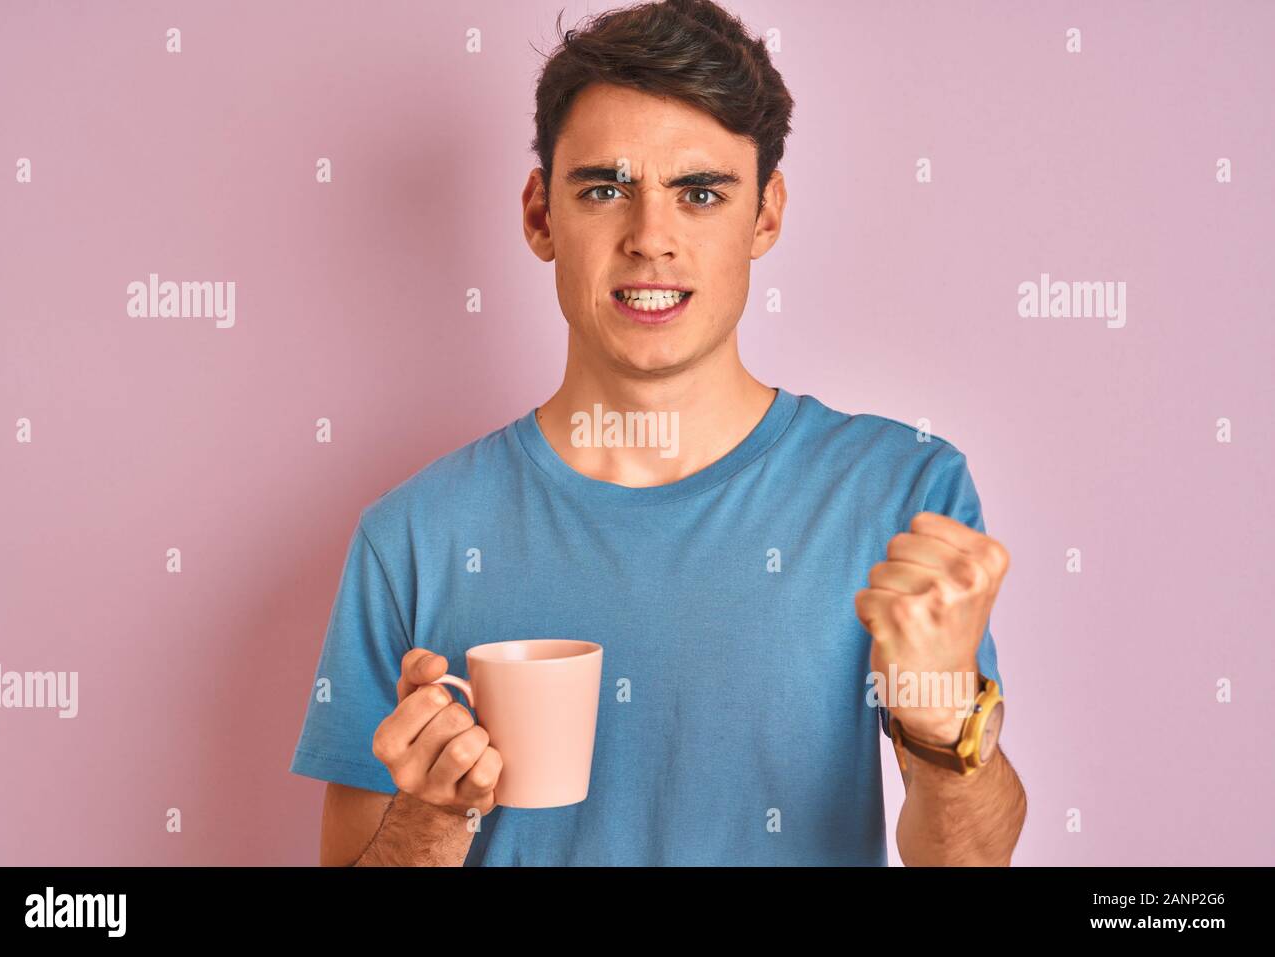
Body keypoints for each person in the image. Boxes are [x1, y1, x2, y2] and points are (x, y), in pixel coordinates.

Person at [290, 0, 1026, 866]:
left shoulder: (901, 493)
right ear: (539, 215)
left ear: (765, 216)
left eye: (701, 193)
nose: (651, 239)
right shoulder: (410, 537)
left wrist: (943, 719)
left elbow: (971, 861)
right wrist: (432, 821)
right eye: (605, 189)